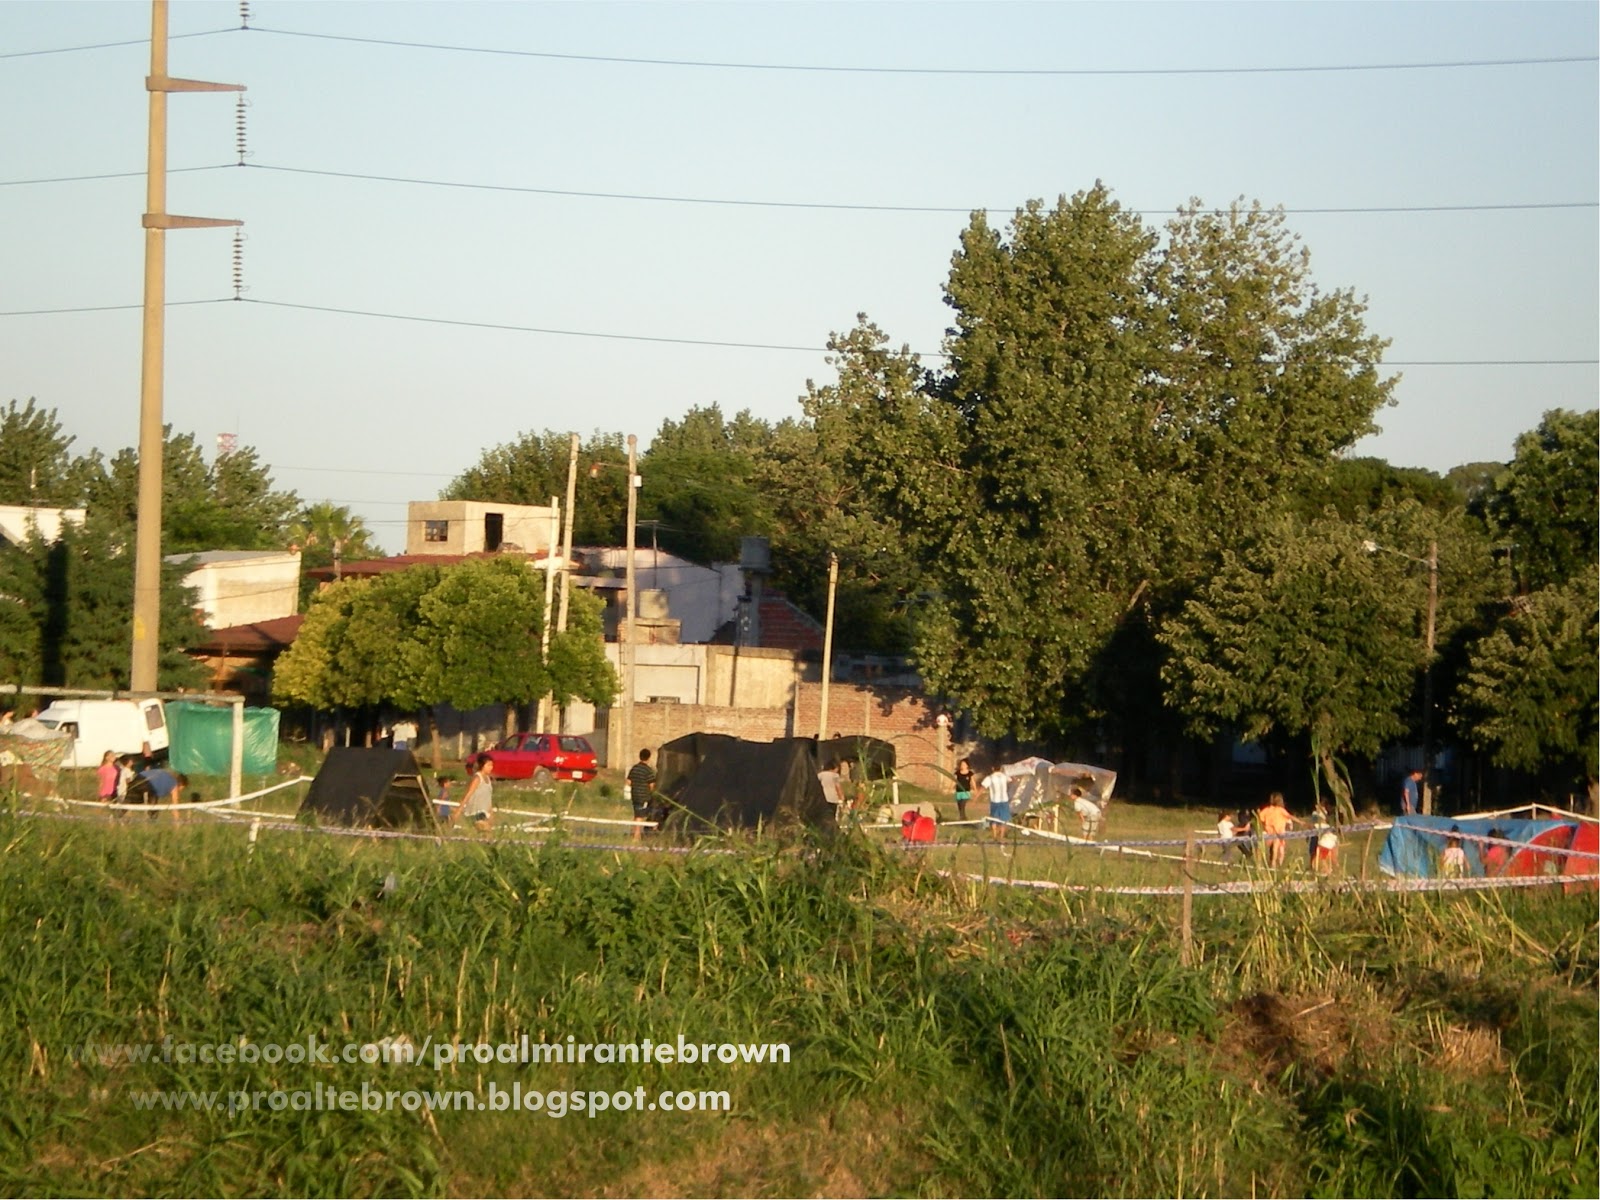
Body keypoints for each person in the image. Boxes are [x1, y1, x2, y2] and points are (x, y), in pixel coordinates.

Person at [1257, 792, 1295, 868]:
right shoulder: (1280, 810)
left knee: (1264, 849)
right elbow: (1289, 819)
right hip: (1277, 833)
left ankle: (1261, 864)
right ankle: (1274, 864)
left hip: (1270, 832)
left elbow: (1260, 819)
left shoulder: (1267, 810)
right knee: (1278, 850)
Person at [456, 756, 495, 830]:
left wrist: (491, 812)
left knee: (486, 834)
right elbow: (468, 794)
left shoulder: (488, 779)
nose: (491, 767)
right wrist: (459, 810)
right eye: (489, 765)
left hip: (485, 812)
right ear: (482, 765)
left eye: (492, 765)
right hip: (475, 812)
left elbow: (488, 797)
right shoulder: (477, 778)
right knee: (486, 831)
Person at [627, 748, 657, 840]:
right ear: (649, 758)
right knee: (640, 816)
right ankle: (636, 836)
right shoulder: (648, 770)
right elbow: (651, 785)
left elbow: (628, 781)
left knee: (636, 814)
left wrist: (636, 785)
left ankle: (633, 834)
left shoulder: (634, 768)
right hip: (643, 797)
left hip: (634, 795)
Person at [983, 765, 1012, 844]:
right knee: (1004, 819)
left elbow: (983, 786)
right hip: (1004, 800)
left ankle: (995, 836)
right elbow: (1012, 780)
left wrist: (975, 797)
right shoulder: (1004, 776)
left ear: (992, 768)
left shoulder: (990, 777)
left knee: (994, 818)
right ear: (1001, 769)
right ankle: (1001, 836)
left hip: (995, 801)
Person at [953, 758, 974, 823]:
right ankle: (964, 818)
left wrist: (975, 789)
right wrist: (950, 788)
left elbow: (973, 782)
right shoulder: (957, 773)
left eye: (964, 764)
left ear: (967, 765)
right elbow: (954, 781)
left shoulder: (970, 773)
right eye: (961, 764)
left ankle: (961, 818)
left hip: (966, 792)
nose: (962, 766)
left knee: (962, 805)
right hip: (958, 792)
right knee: (959, 806)